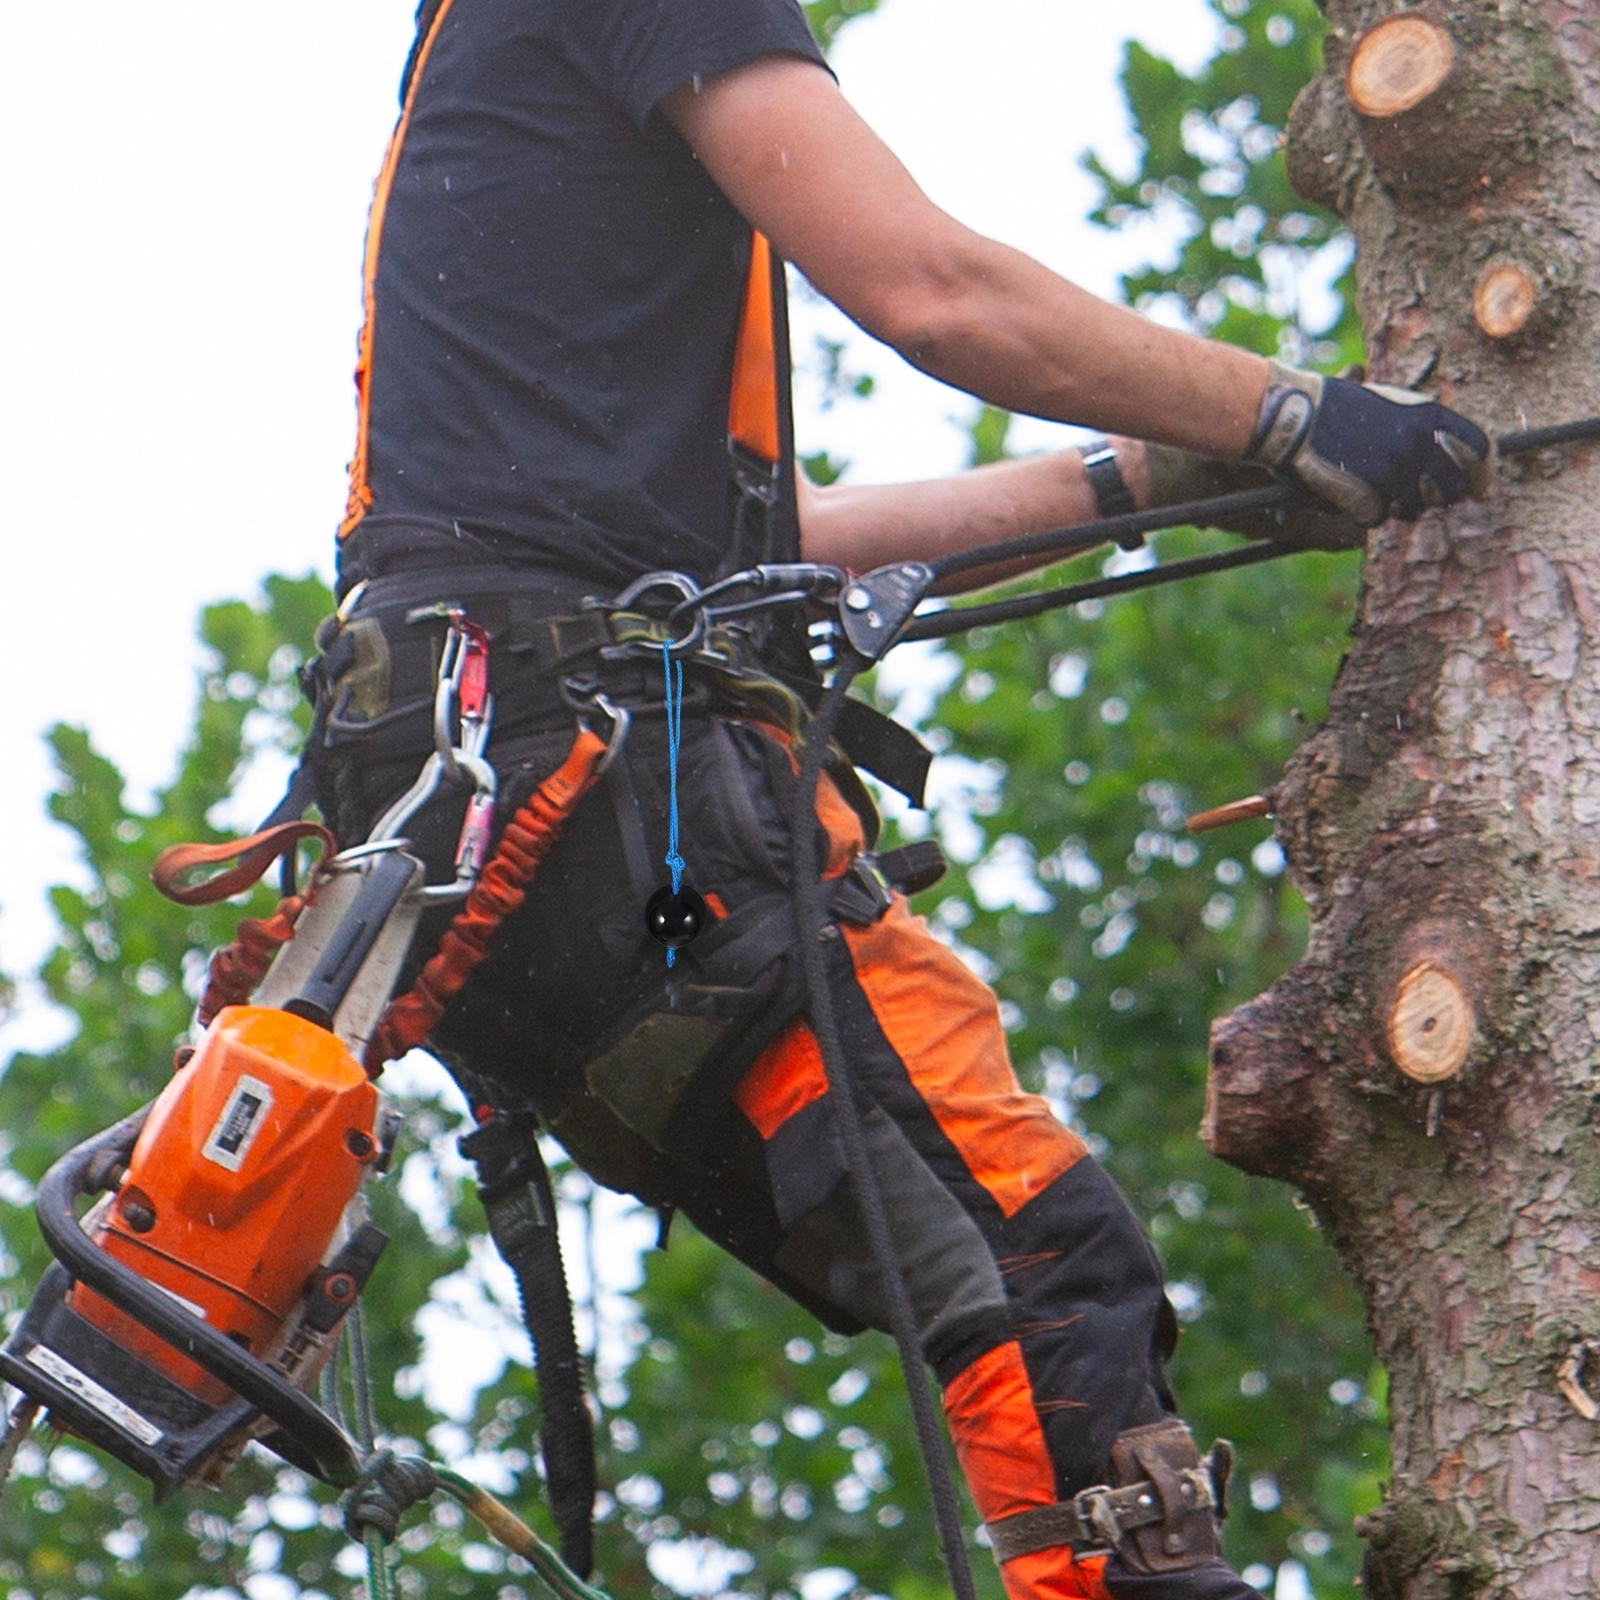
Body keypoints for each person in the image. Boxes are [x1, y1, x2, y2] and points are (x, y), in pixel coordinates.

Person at [312, 2, 1492, 1597]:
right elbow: (928, 287)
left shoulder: (507, 62)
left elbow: (761, 528)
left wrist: (1140, 481)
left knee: (986, 1284)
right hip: (581, 785)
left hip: (488, 845)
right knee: (1036, 1259)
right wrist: (1287, 408)